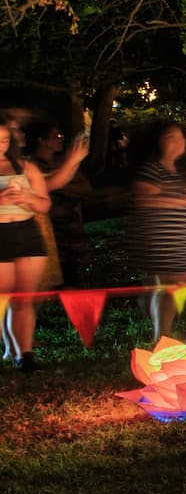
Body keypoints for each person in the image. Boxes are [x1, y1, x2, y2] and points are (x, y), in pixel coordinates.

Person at [129, 122, 186, 344]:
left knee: (176, 288)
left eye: (180, 138)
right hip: (159, 236)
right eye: (170, 137)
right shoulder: (150, 169)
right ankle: (162, 337)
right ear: (158, 141)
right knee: (167, 286)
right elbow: (144, 198)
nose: (177, 142)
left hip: (183, 236)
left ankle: (155, 315)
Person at [0, 118, 53, 369]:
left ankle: (25, 356)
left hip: (27, 232)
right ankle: (10, 350)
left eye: (4, 140)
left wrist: (27, 197)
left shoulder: (24, 166)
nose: (1, 145)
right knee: (3, 298)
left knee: (24, 299)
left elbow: (44, 204)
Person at [26, 123, 89, 288]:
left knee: (75, 280)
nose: (61, 138)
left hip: (72, 230)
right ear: (42, 141)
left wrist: (65, 177)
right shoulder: (31, 166)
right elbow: (50, 185)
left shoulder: (60, 162)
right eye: (56, 136)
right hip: (53, 231)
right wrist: (70, 167)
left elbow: (85, 187)